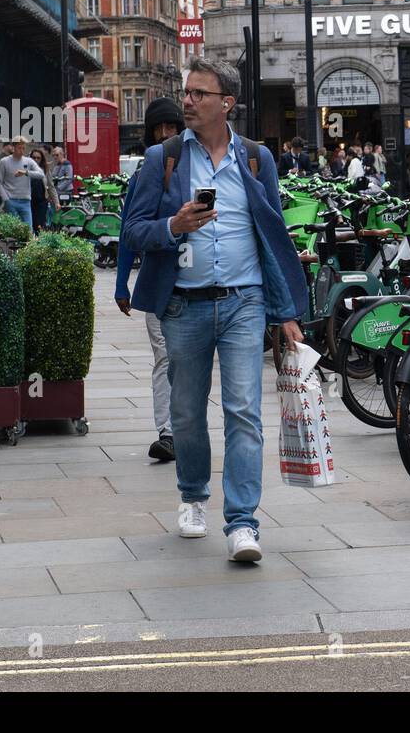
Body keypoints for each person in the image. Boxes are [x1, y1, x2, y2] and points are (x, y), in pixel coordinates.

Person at [120, 56, 309, 562]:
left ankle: (244, 523)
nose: (188, 100)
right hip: (183, 305)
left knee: (244, 411)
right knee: (186, 412)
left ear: (227, 103)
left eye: (200, 94)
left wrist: (286, 310)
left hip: (244, 302)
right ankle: (193, 495)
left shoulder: (255, 159)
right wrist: (172, 227)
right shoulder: (163, 159)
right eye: (186, 92)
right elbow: (132, 230)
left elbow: (273, 236)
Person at [116, 95, 184, 464]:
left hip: (194, 282)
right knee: (164, 356)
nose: (164, 134)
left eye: (171, 127)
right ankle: (168, 432)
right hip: (157, 281)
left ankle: (185, 425)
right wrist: (120, 283)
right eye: (158, 128)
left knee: (186, 360)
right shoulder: (144, 173)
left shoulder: (193, 167)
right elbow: (129, 229)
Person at [0, 137, 44, 227]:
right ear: (13, 147)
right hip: (11, 200)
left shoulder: (29, 161)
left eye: (23, 148)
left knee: (28, 230)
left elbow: (41, 174)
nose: (22, 150)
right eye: (19, 148)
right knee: (14, 230)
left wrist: (26, 172)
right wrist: (6, 199)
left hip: (25, 201)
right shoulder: (4, 162)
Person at [29, 146, 54, 231]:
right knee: (30, 223)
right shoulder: (26, 169)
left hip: (41, 201)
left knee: (40, 224)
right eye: (34, 157)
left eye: (38, 158)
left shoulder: (45, 169)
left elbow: (51, 186)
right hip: (29, 200)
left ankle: (38, 241)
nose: (36, 159)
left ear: (41, 159)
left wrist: (57, 202)